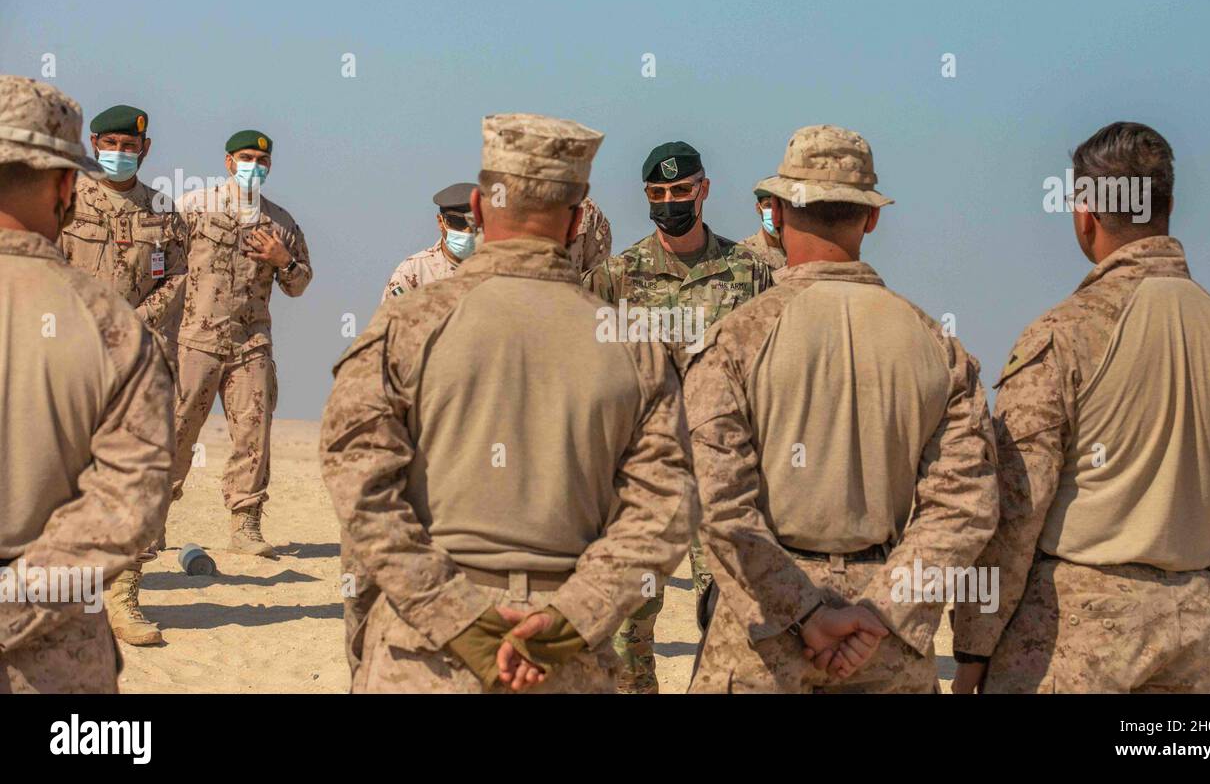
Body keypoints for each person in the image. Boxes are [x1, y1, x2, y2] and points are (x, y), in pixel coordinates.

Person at [322, 113, 699, 693]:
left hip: (426, 655)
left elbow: (361, 493)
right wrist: (569, 620)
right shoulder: (634, 346)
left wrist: (457, 622)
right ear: (577, 221)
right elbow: (664, 509)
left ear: (476, 207)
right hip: (565, 661)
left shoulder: (406, 326)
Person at [952, 122, 1210, 694]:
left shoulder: (1065, 335)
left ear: (1085, 214)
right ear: (1169, 204)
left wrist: (973, 649)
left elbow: (1016, 510)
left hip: (1074, 640)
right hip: (1196, 637)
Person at [684, 124, 998, 692]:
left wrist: (804, 612)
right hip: (885, 642)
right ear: (871, 217)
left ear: (776, 213)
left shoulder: (735, 341)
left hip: (765, 636)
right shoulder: (938, 348)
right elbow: (966, 505)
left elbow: (717, 502)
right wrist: (881, 614)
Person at [0, 75, 173, 692]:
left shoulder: (158, 215)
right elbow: (129, 501)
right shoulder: (115, 335)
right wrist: (17, 601)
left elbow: (174, 274)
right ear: (68, 183)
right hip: (51, 658)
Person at [583, 140, 773, 693]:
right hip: (642, 479)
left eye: (680, 190)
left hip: (723, 479)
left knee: (730, 619)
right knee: (627, 628)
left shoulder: (749, 274)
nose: (670, 201)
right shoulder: (615, 278)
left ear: (703, 190)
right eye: (658, 193)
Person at [58, 103, 188, 646]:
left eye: (129, 145)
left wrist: (131, 326)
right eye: (109, 142)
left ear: (145, 149)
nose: (119, 152)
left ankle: (123, 599)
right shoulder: (67, 197)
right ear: (92, 142)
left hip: (137, 364)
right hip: (69, 357)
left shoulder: (163, 210)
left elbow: (179, 278)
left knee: (135, 478)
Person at [170, 130, 313, 556]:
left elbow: (300, 283)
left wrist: (282, 260)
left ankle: (245, 525)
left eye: (262, 160)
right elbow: (165, 264)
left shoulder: (281, 224)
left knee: (254, 434)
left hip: (251, 343)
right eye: (247, 157)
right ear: (230, 162)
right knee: (175, 432)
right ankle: (151, 522)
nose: (255, 165)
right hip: (195, 339)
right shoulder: (195, 207)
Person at [384, 183, 612, 300]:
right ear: (440, 222)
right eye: (456, 222)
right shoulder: (413, 273)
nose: (466, 230)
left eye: (474, 222)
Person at [739, 188, 786, 272]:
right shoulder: (743, 253)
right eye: (768, 206)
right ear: (758, 208)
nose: (775, 213)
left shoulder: (803, 251)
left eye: (780, 206)